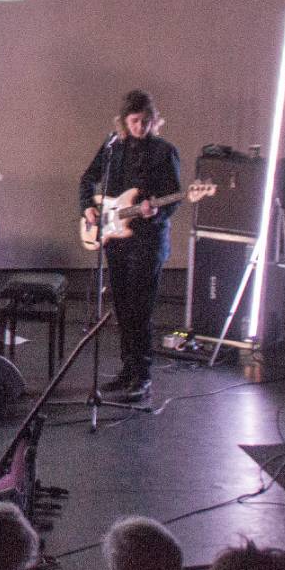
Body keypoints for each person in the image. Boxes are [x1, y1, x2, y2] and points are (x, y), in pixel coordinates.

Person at [80, 90, 183, 402]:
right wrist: (87, 207)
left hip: (148, 242)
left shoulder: (165, 151)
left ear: (154, 120)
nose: (141, 126)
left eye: (146, 121)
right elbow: (87, 179)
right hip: (116, 239)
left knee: (141, 309)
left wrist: (156, 211)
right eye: (135, 121)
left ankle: (143, 376)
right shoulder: (114, 147)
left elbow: (174, 198)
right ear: (124, 121)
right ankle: (127, 370)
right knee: (123, 308)